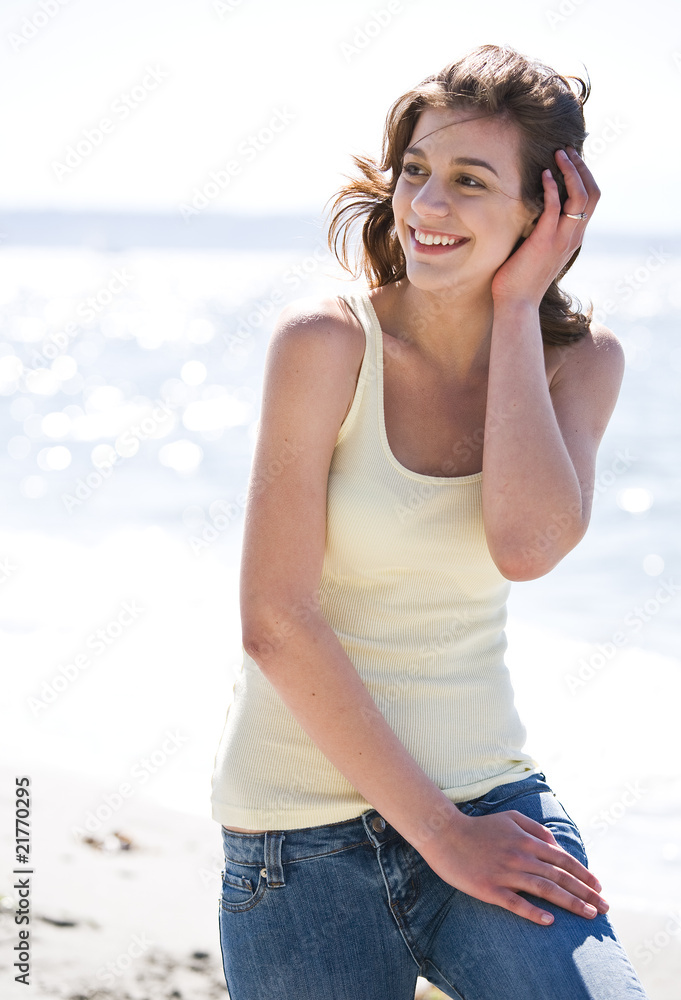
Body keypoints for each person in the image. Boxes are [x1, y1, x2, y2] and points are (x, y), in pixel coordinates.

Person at [210, 43, 650, 999]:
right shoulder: (326, 343)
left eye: (469, 181)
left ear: (542, 210)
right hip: (297, 835)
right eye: (414, 171)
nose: (425, 205)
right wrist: (440, 837)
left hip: (492, 807)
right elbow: (274, 620)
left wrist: (517, 306)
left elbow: (524, 546)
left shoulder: (580, 362)